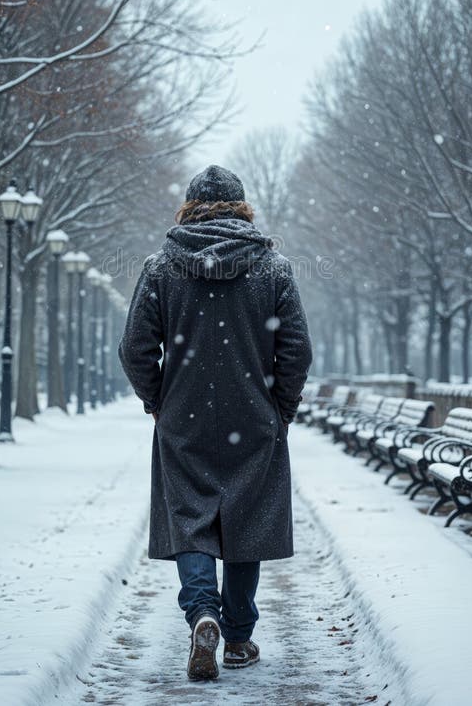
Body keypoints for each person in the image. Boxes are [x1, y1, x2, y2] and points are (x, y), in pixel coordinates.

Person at [118, 165, 312, 681]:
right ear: (243, 208)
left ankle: (202, 612)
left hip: (184, 420)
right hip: (253, 417)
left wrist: (159, 401)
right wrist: (280, 410)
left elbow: (134, 349)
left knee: (190, 519)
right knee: (247, 521)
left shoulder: (161, 268)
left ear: (188, 206)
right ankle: (239, 636)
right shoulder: (273, 268)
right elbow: (296, 352)